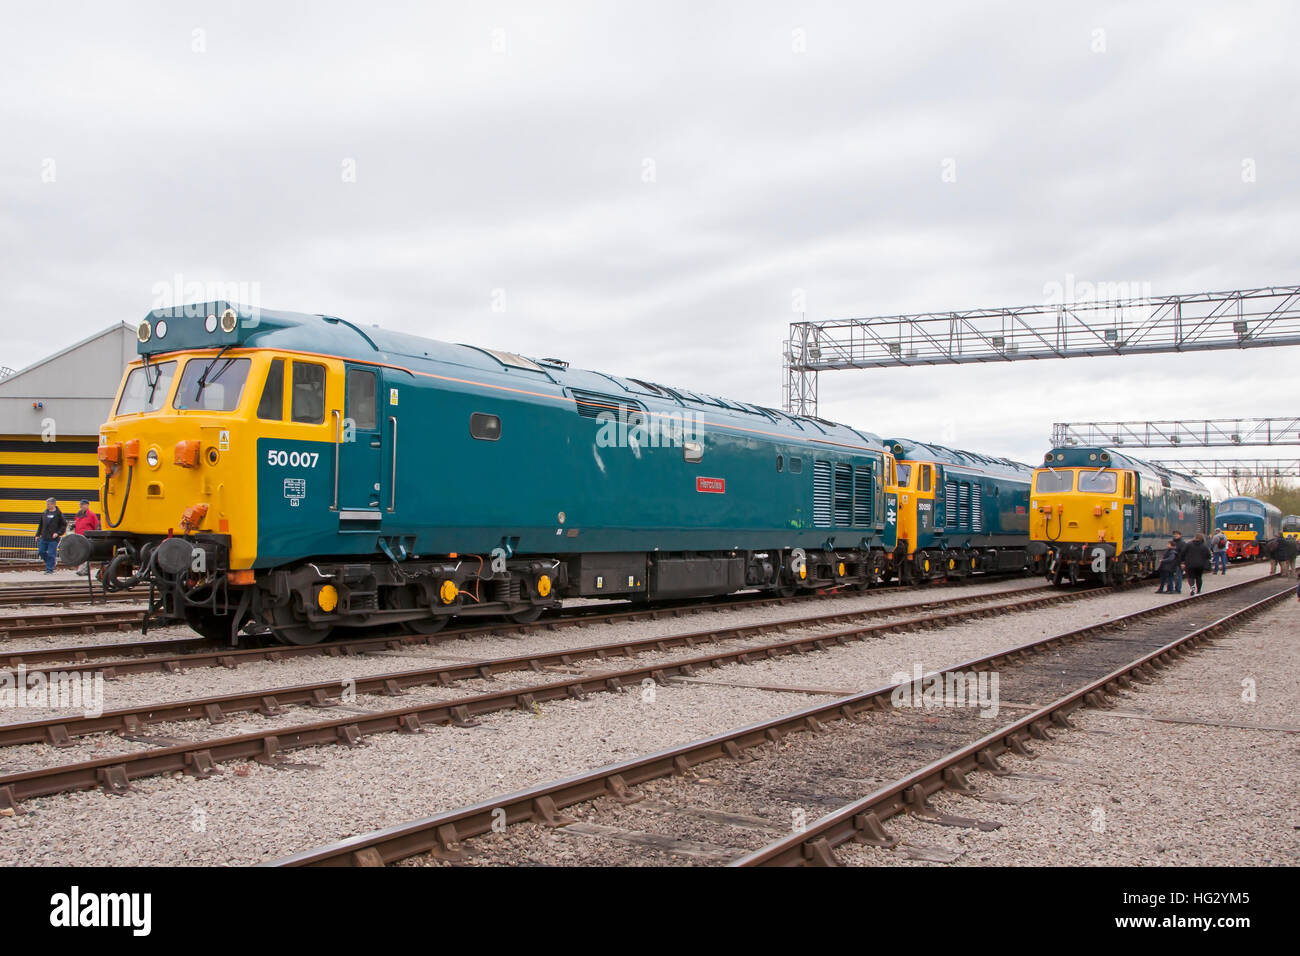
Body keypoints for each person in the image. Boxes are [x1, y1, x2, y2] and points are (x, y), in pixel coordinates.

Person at [35, 497, 66, 574]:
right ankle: (51, 563)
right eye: (47, 504)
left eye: (48, 504)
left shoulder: (58, 514)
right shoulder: (45, 513)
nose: (47, 505)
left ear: (53, 504)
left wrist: (58, 533)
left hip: (53, 538)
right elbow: (41, 524)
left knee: (51, 554)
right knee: (41, 551)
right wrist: (37, 534)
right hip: (44, 536)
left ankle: (49, 569)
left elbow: (63, 525)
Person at [72, 500, 99, 575]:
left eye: (83, 504)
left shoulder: (91, 515)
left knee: (84, 553)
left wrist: (93, 536)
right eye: (80, 505)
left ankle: (83, 570)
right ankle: (85, 570)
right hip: (78, 537)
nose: (81, 506)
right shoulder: (78, 514)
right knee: (79, 553)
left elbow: (95, 525)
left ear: (87, 505)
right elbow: (77, 523)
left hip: (87, 537)